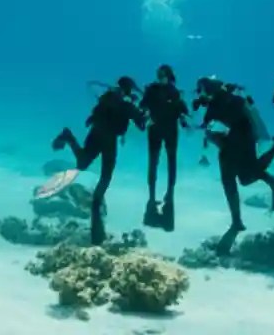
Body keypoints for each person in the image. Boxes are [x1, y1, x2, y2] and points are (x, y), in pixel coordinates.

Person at [193, 75, 274, 254]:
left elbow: (216, 127)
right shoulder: (222, 103)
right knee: (234, 182)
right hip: (232, 147)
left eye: (202, 91)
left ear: (210, 90)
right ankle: (237, 220)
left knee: (242, 180)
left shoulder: (228, 102)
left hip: (240, 145)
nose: (201, 94)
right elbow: (208, 128)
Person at [51, 76, 146, 244]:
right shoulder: (127, 105)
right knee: (106, 178)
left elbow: (94, 115)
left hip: (95, 133)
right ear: (129, 90)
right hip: (109, 140)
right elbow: (142, 126)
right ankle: (96, 208)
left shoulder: (107, 97)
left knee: (82, 163)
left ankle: (68, 136)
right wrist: (144, 113)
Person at [140, 64, 190, 231]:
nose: (160, 77)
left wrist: (184, 120)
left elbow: (182, 110)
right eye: (158, 74)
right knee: (153, 162)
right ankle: (152, 194)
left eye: (162, 74)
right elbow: (143, 105)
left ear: (168, 75)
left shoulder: (174, 92)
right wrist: (146, 114)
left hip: (170, 130)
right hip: (155, 129)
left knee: (171, 162)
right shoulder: (151, 90)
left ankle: (170, 191)